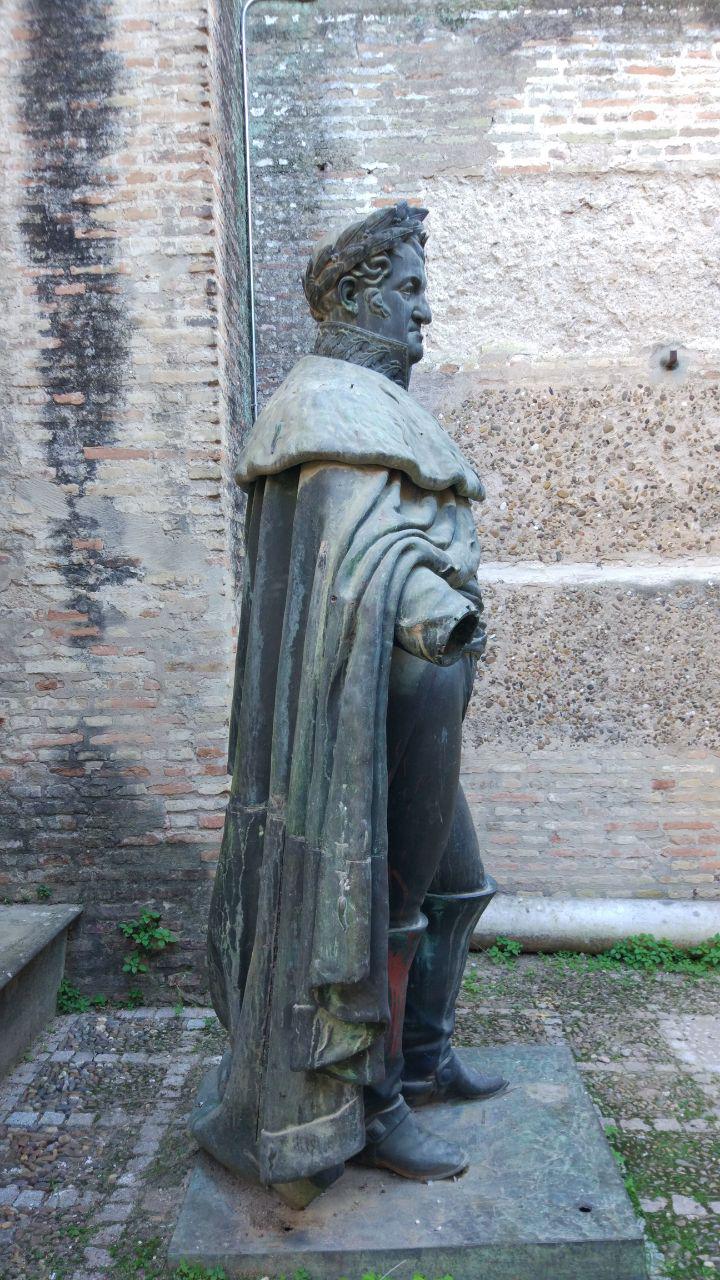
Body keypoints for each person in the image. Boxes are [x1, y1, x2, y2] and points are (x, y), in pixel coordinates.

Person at [191, 202, 507, 1208]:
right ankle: (367, 1107)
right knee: (384, 908)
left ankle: (425, 1056)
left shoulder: (379, 407)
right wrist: (423, 600)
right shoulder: (319, 410)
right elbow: (347, 565)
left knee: (455, 890)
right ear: (358, 294)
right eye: (410, 292)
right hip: (355, 727)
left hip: (420, 705)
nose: (427, 315)